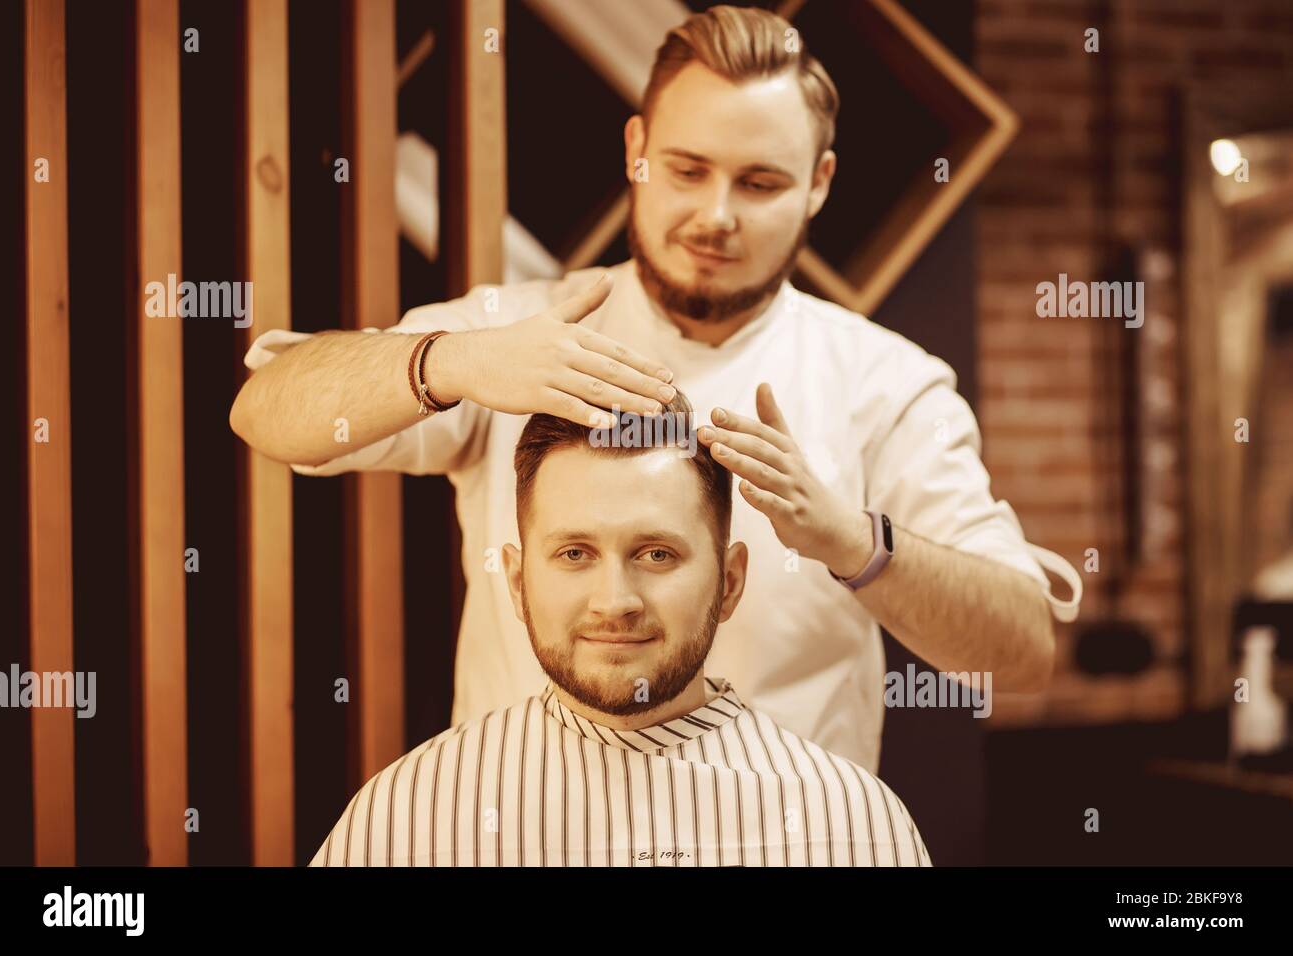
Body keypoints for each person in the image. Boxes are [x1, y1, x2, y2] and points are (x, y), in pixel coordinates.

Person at [231, 5, 1081, 773]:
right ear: (636, 151)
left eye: (760, 182)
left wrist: (854, 543)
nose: (716, 215)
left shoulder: (888, 385)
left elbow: (1022, 649)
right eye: (686, 169)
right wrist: (448, 363)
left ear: (819, 182)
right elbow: (265, 407)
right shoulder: (512, 332)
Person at [311, 396, 931, 866]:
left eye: (657, 554)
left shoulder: (848, 825)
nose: (616, 602)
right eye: (576, 554)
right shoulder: (411, 814)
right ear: (518, 584)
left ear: (731, 582)